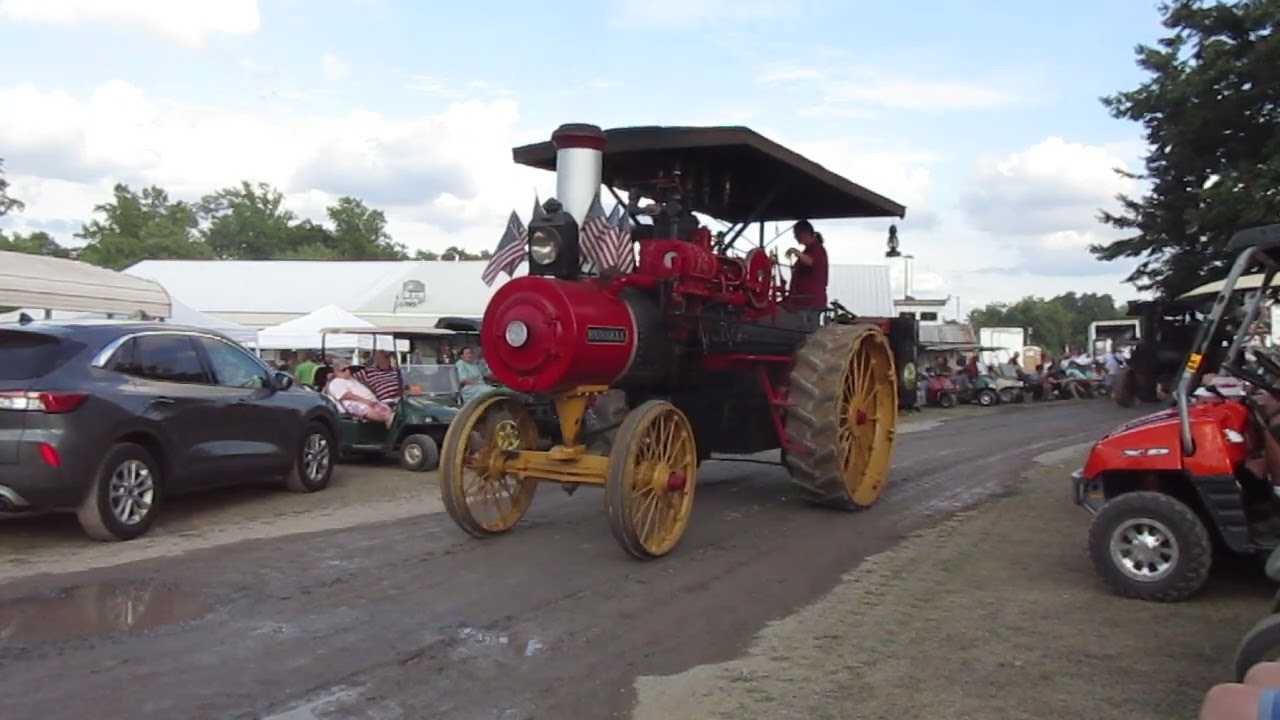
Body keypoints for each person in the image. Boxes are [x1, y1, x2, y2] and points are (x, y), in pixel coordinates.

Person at [786, 219, 829, 327]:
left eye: (796, 234)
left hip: (810, 304)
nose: (795, 237)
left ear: (804, 233)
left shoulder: (817, 250)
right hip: (802, 302)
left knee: (809, 335)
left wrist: (796, 252)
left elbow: (811, 262)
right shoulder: (808, 251)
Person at [326, 362, 394, 427]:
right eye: (344, 370)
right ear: (336, 372)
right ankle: (387, 419)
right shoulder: (336, 382)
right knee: (369, 410)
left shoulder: (352, 379)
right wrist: (365, 401)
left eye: (349, 368)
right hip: (356, 403)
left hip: (370, 401)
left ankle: (389, 419)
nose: (348, 371)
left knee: (388, 409)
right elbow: (346, 395)